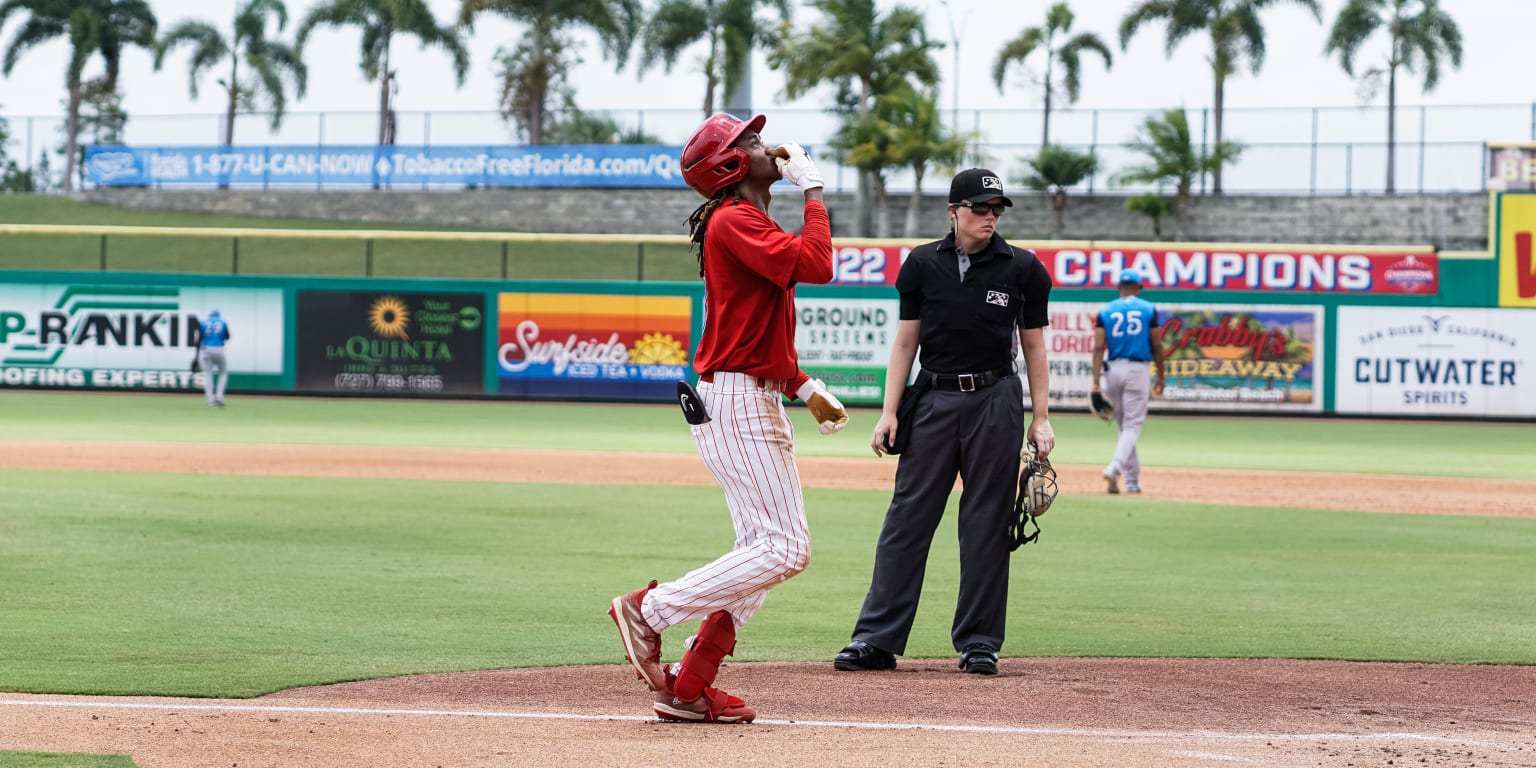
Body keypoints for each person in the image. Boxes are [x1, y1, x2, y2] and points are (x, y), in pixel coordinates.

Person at [607, 112, 842, 724]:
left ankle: (690, 684)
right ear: (731, 165)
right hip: (738, 401)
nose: (767, 147)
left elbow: (746, 326)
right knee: (786, 549)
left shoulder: (743, 219)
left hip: (744, 393)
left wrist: (801, 383)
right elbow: (817, 265)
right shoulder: (736, 218)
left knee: (757, 552)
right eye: (752, 142)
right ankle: (648, 611)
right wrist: (813, 192)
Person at [833, 168, 1054, 677]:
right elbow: (905, 341)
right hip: (932, 400)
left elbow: (1035, 346)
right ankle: (876, 639)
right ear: (953, 212)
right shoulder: (921, 264)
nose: (990, 216)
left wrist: (1041, 419)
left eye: (996, 208)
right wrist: (889, 412)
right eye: (980, 207)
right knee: (907, 520)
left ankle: (979, 642)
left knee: (986, 523)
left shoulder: (1023, 268)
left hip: (995, 400)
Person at [1091, 269, 1167, 494]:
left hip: (1112, 369)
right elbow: (1157, 345)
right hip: (1137, 368)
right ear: (1138, 288)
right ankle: (1115, 467)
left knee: (1125, 426)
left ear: (1118, 288)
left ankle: (1132, 481)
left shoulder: (1105, 310)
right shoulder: (1148, 308)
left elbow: (1097, 347)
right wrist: (1161, 375)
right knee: (1132, 425)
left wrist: (1095, 381)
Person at [199, 308, 231, 407]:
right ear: (218, 315)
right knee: (223, 373)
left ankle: (210, 401)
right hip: (219, 349)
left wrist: (196, 355)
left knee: (208, 375)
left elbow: (199, 339)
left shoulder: (204, 323)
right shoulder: (223, 322)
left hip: (207, 349)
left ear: (210, 315)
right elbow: (228, 337)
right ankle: (219, 397)